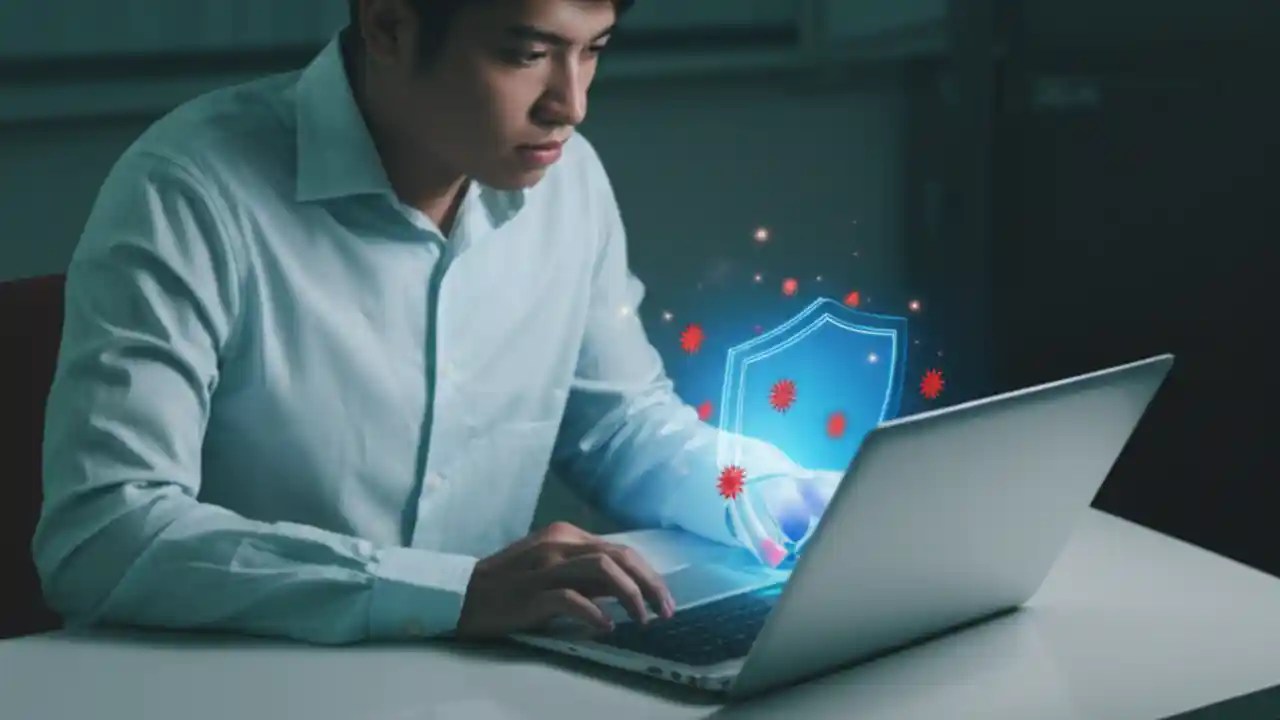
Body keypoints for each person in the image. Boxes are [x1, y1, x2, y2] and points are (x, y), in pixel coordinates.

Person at [33, 0, 838, 645]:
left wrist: (766, 493)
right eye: (527, 54)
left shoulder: (570, 184)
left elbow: (622, 426)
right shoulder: (190, 190)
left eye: (593, 49)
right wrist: (451, 593)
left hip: (472, 682)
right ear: (389, 23)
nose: (572, 103)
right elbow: (105, 534)